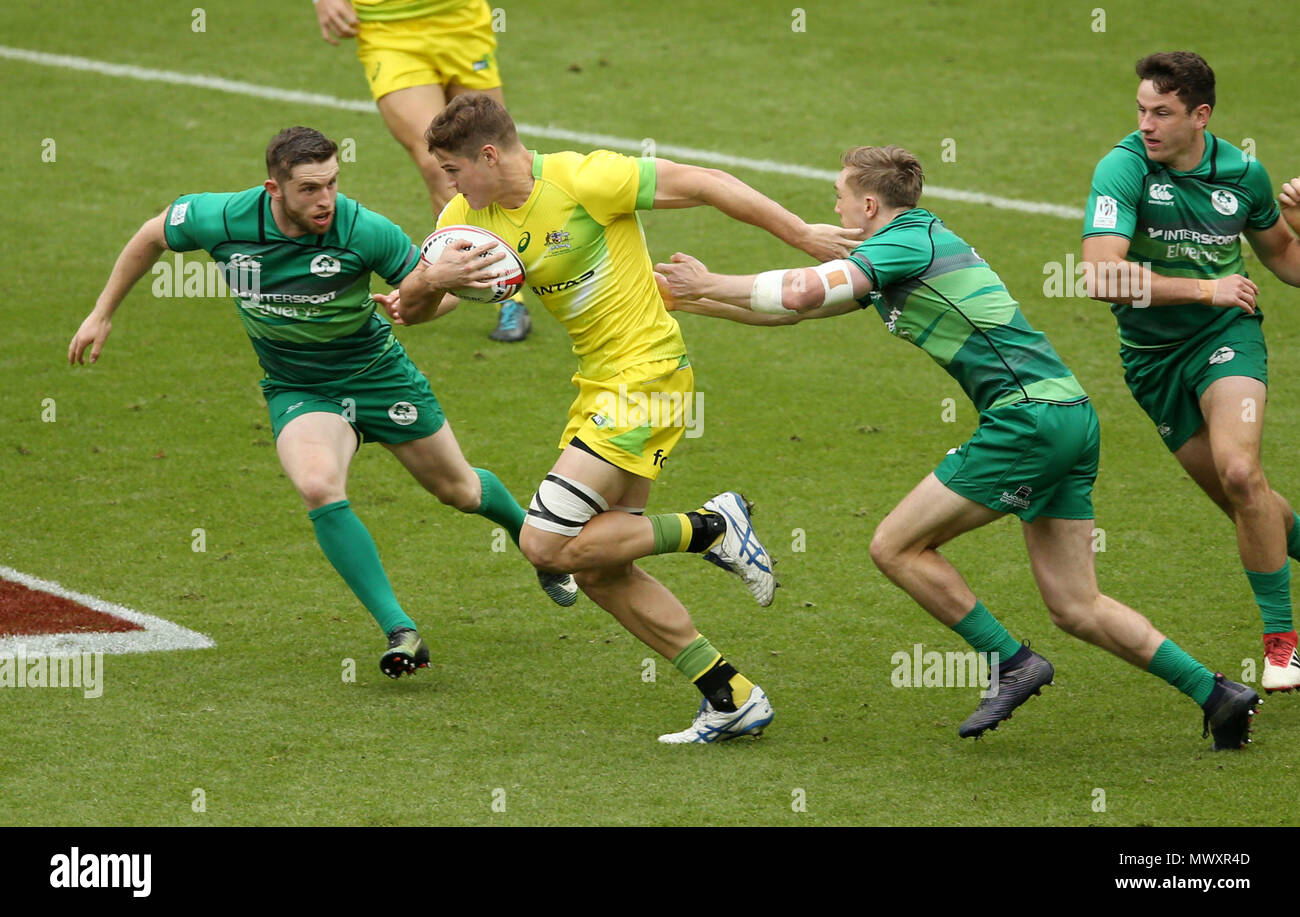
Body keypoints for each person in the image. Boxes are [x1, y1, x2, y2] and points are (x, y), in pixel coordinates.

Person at [656, 144, 1260, 750]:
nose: (832, 205)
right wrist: (696, 302)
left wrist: (712, 279)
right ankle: (1219, 695)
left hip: (1028, 420)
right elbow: (797, 313)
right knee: (1078, 606)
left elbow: (802, 293)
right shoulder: (904, 246)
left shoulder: (903, 242)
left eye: (838, 194)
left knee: (896, 546)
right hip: (1068, 415)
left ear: (868, 203)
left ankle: (1010, 660)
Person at [387, 92, 861, 743]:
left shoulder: (585, 179)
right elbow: (421, 307)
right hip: (600, 387)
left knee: (542, 543)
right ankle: (729, 694)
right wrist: (427, 279)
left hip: (647, 376)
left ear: (489, 155)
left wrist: (803, 235)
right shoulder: (469, 214)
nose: (446, 182)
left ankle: (714, 526)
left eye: (452, 168)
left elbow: (706, 183)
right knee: (601, 571)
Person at [68, 126, 572, 678]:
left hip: (378, 377)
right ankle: (401, 629)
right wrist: (103, 311)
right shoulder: (223, 218)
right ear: (274, 189)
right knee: (317, 485)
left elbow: (433, 295)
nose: (325, 199)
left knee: (459, 490)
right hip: (300, 387)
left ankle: (534, 542)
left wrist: (421, 299)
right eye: (309, 188)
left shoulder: (362, 229)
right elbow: (151, 235)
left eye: (331, 183)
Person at [1080, 51, 1300, 694]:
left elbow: (1286, 259)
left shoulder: (1243, 174)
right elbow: (1100, 275)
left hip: (1227, 340)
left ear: (1200, 115)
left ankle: (1283, 643)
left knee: (1241, 471)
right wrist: (1206, 290)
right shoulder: (1121, 167)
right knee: (1247, 504)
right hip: (1151, 363)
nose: (1146, 125)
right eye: (1142, 110)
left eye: (1162, 113)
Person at [312, 0, 531, 342]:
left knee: (494, 156)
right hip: (389, 29)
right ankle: (494, 287)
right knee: (437, 162)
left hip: (460, 20)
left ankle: (516, 268)